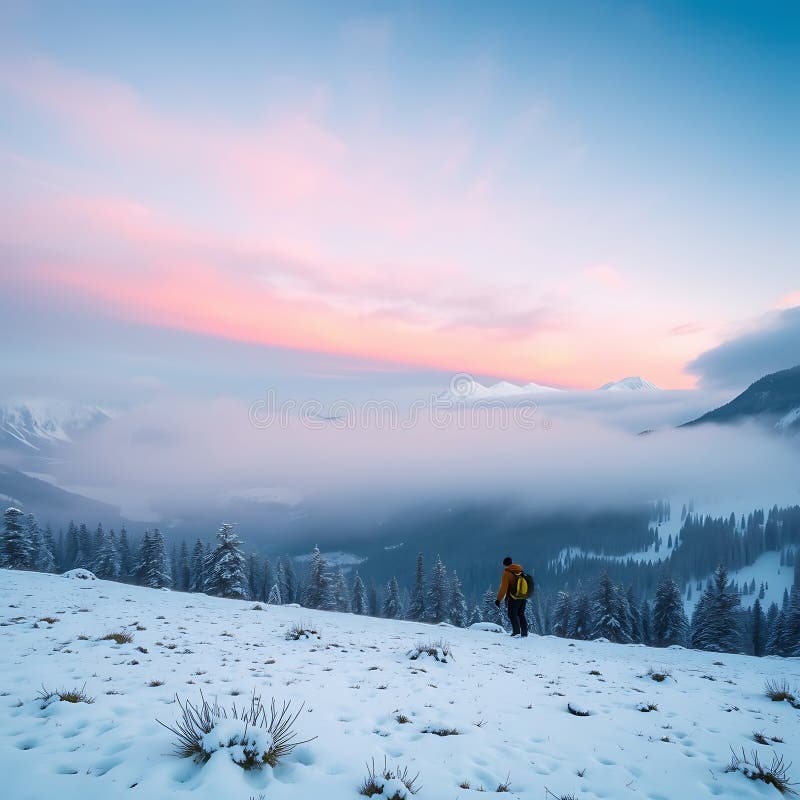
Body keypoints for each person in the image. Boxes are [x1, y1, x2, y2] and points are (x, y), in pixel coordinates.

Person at [495, 556, 528, 637]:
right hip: (523, 597)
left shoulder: (507, 573)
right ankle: (524, 633)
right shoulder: (520, 570)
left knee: (512, 614)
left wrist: (498, 599)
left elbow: (503, 588)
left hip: (513, 598)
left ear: (504, 564)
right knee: (521, 614)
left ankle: (516, 633)